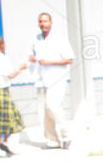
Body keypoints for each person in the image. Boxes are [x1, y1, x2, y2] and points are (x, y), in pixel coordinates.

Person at [28, 11, 73, 149]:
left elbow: (69, 59)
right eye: (41, 21)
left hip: (57, 78)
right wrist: (33, 59)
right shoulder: (36, 39)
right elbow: (32, 56)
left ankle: (66, 135)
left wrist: (49, 62)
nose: (43, 24)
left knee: (52, 106)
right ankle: (53, 140)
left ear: (51, 23)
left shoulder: (59, 38)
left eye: (45, 21)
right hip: (41, 79)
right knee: (44, 111)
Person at [0, 35, 26, 157]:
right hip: (1, 91)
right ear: (2, 45)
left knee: (11, 117)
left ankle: (5, 142)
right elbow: (10, 75)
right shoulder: (2, 58)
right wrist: (21, 68)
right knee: (2, 119)